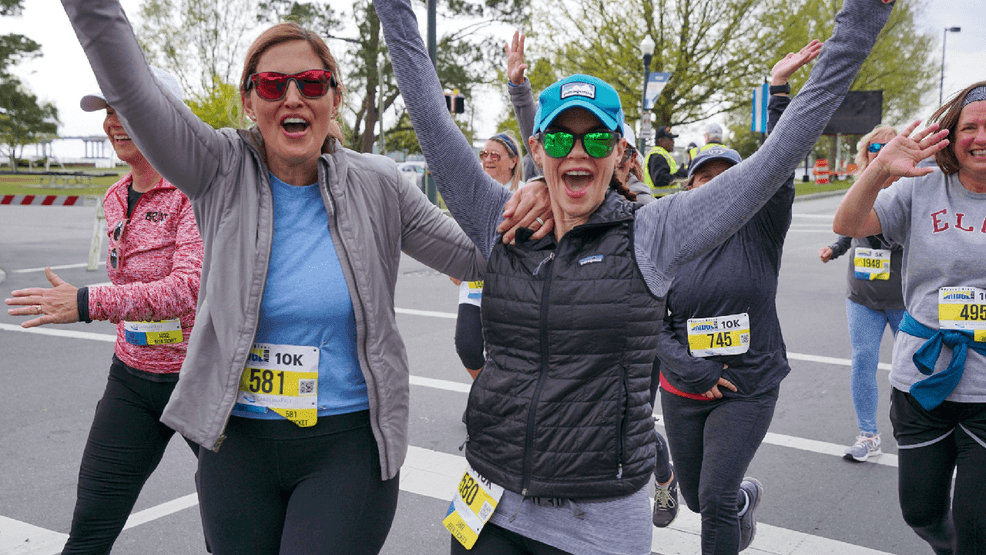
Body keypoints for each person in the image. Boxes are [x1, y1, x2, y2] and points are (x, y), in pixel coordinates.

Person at [375, 0, 892, 553]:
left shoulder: (652, 233)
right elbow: (428, 110)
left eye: (596, 138)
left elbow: (778, 155)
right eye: (559, 138)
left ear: (620, 150)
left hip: (596, 524)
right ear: (536, 149)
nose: (578, 151)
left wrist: (860, 21)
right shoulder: (498, 219)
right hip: (490, 505)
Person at [61, 3, 486, 553]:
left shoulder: (379, 184)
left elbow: (479, 259)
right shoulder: (216, 167)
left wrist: (542, 211)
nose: (292, 97)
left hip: (348, 445)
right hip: (236, 446)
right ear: (248, 101)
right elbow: (132, 85)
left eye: (311, 83)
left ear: (334, 99)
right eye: (271, 84)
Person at [5, 68, 203, 555]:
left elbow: (186, 289)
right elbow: (132, 287)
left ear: (162, 117)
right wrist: (91, 299)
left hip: (202, 383)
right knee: (89, 534)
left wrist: (86, 302)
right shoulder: (115, 197)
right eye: (108, 112)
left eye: (125, 110)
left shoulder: (195, 192)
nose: (113, 123)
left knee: (237, 538)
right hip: (132, 383)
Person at [656, 40, 820, 555]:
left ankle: (733, 504)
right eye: (702, 177)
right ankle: (743, 504)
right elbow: (644, 316)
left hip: (748, 383)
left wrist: (778, 93)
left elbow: (780, 159)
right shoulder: (669, 238)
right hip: (684, 385)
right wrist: (693, 370)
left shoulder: (761, 229)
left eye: (726, 176)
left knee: (714, 497)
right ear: (689, 187)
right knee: (702, 499)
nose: (713, 185)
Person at [833, 81, 986, 555]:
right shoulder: (922, 186)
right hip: (921, 379)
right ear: (950, 134)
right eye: (970, 127)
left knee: (977, 526)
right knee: (920, 513)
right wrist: (880, 168)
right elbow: (849, 225)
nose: (981, 137)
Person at [818, 124, 903, 462]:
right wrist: (834, 249)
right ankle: (867, 434)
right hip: (863, 296)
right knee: (863, 362)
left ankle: (916, 431)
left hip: (904, 299)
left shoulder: (911, 187)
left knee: (911, 368)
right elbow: (850, 229)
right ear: (866, 151)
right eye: (874, 146)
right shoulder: (861, 186)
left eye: (887, 146)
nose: (880, 152)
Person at [453, 130, 526, 382]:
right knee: (467, 346)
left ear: (513, 160)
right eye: (484, 154)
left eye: (495, 154)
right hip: (474, 287)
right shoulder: (471, 196)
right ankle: (486, 392)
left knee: (508, 354)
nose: (488, 159)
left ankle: (497, 401)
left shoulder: (527, 194)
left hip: (514, 291)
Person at [645, 125, 688, 191]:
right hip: (659, 199)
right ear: (661, 141)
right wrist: (680, 174)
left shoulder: (661, 154)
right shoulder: (657, 156)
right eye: (670, 139)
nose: (673, 142)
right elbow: (660, 180)